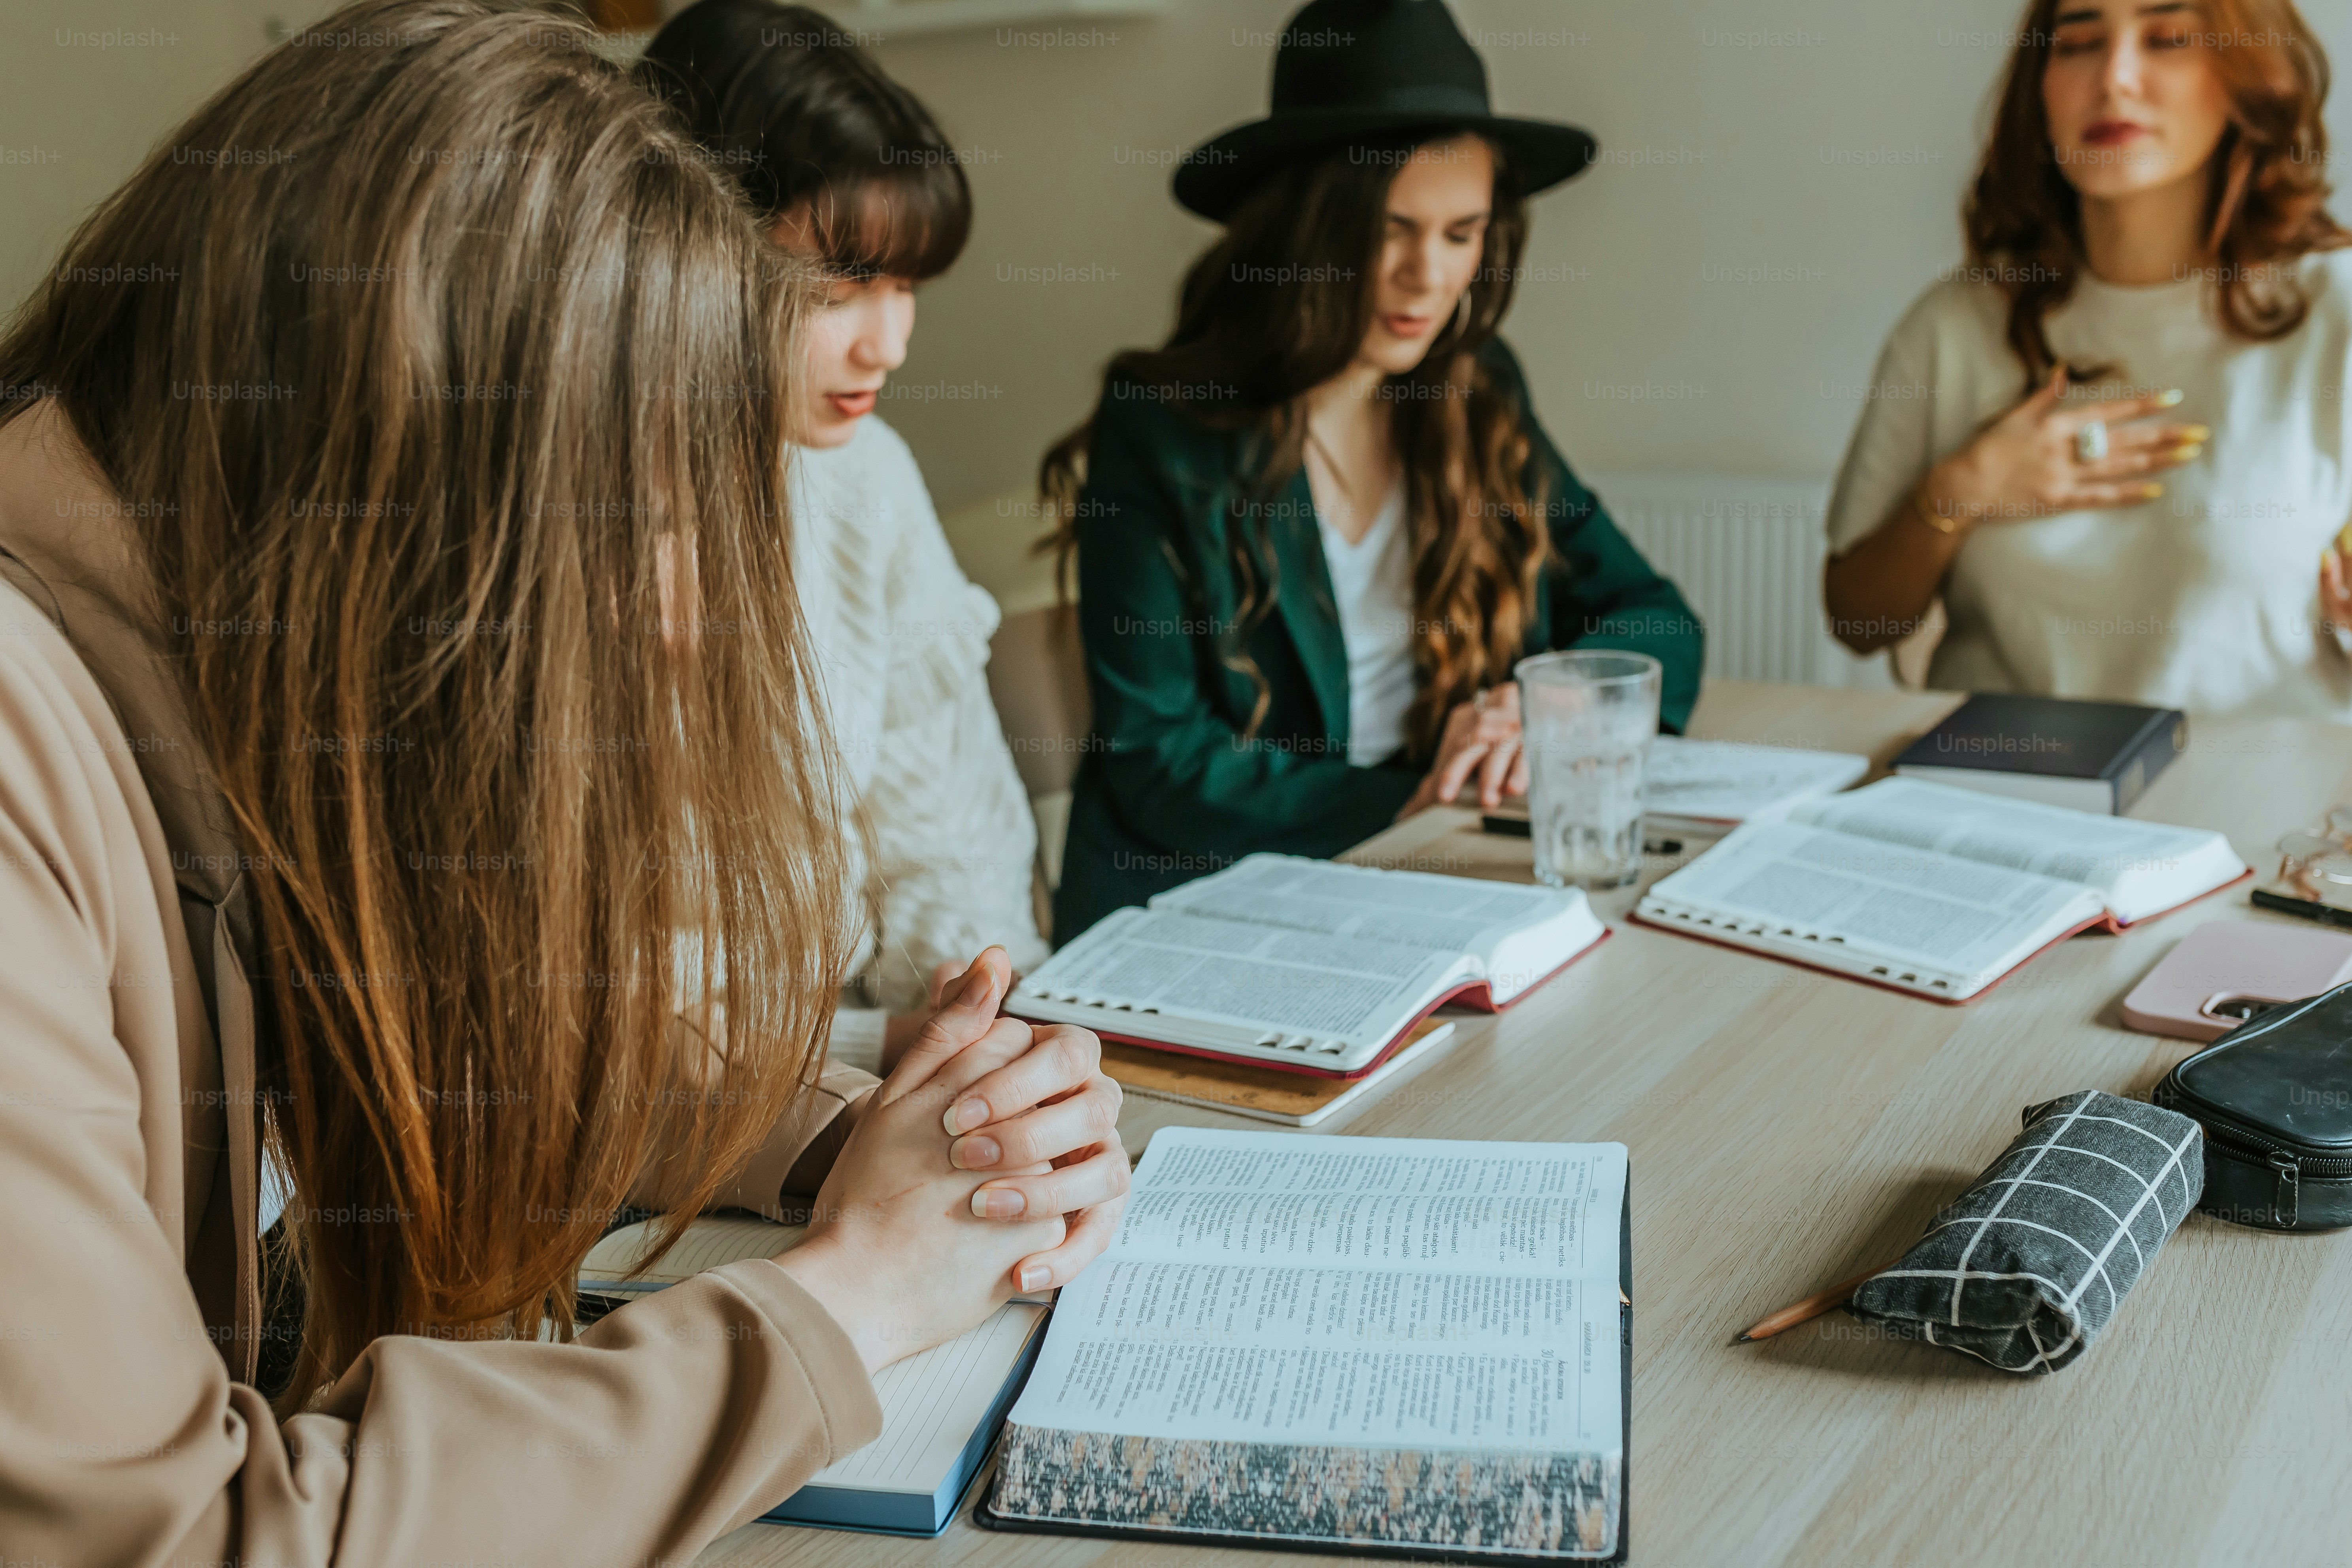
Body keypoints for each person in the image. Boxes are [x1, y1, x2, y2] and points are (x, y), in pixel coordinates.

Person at [0, 4, 1122, 1563]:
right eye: (631, 510)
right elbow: (177, 1536)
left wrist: (825, 1139)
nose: (672, 617)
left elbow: (474, 1035)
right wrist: (848, 1299)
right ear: (389, 453)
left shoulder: (224, 666)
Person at [1040, 0, 1703, 938]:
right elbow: (1158, 758)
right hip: (1219, 900)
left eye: (1460, 233)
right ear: (1305, 229)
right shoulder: (1160, 428)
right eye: (1390, 230)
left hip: (1435, 864)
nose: (1426, 276)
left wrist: (1538, 708)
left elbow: (1654, 617)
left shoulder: (1479, 395)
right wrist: (1409, 800)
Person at [638, 0, 1048, 1064]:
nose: (890, 343)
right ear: (684, 252)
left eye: (905, 284)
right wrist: (875, 1047)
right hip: (650, 1126)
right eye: (841, 286)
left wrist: (974, 1007)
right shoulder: (549, 515)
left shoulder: (864, 477)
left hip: (869, 1071)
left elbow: (947, 826)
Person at [1823, 0, 2352, 712]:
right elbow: (1856, 622)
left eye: (2165, 39)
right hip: (2002, 797)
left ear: (2244, 75)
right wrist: (1964, 489)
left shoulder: (2336, 313)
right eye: (2076, 44)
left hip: (2258, 809)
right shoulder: (1954, 325)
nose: (2114, 78)